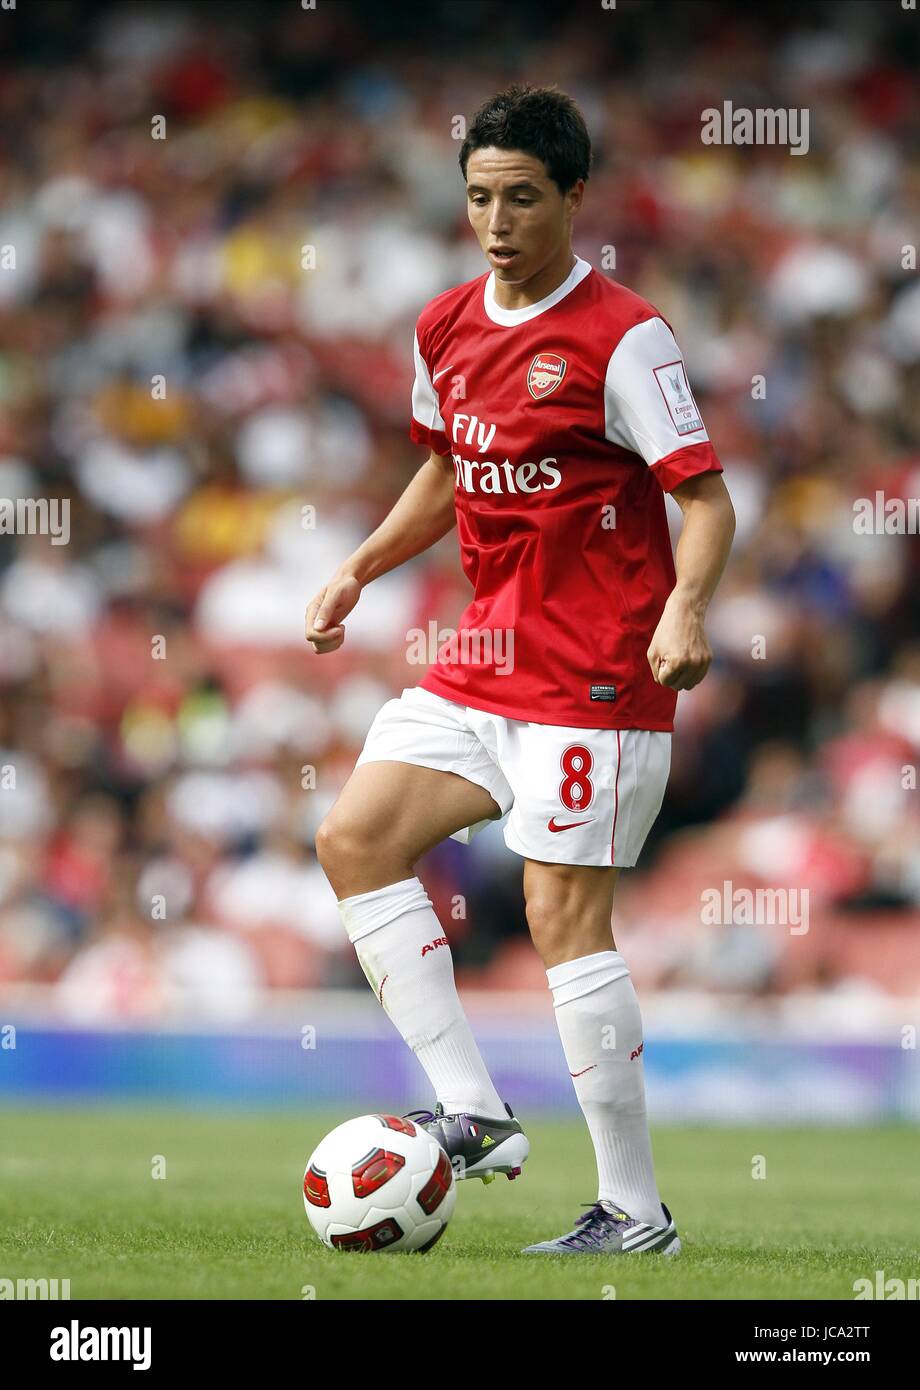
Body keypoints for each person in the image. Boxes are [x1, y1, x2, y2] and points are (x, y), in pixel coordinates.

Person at [306, 83, 735, 1256]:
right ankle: (473, 1110)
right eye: (479, 198)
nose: (496, 221)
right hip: (481, 659)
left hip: (598, 669)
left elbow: (703, 498)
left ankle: (634, 1212)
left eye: (521, 198)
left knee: (560, 919)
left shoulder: (622, 336)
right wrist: (359, 568)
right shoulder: (442, 325)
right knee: (352, 840)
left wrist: (685, 609)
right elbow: (447, 472)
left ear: (572, 198)